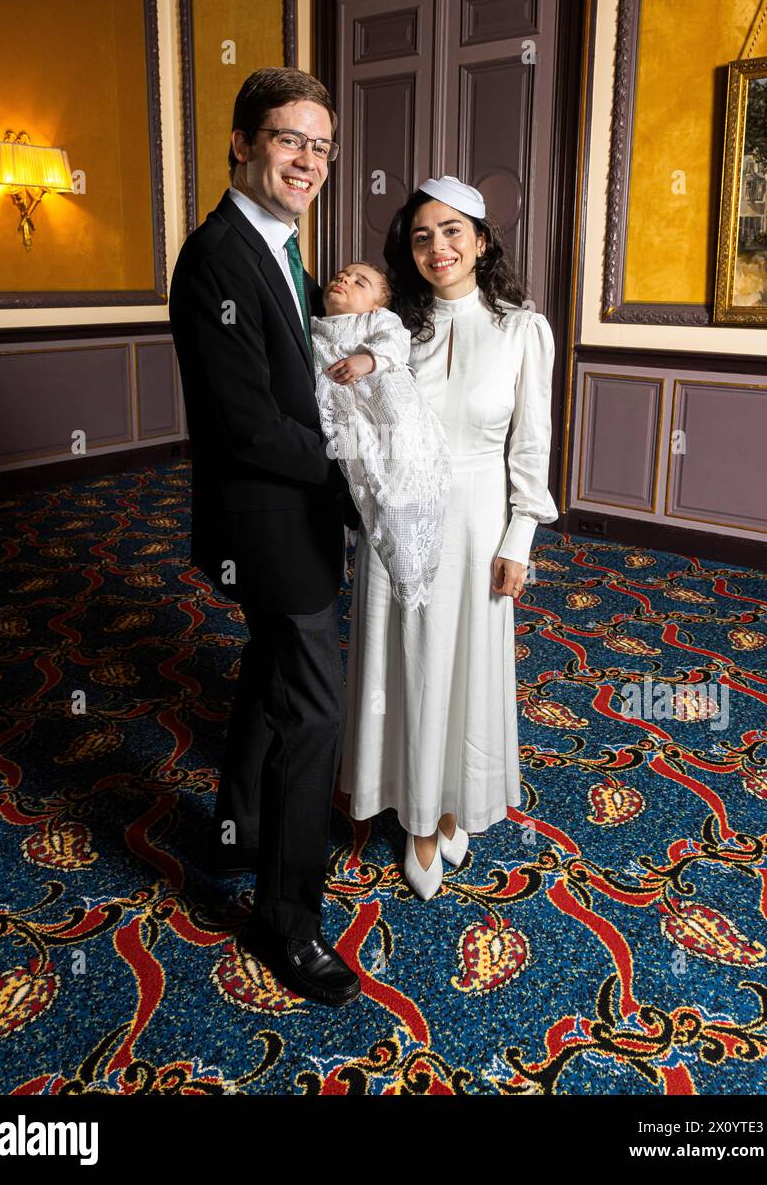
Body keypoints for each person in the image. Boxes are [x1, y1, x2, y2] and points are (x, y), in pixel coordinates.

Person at [168, 67, 361, 1007]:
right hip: (266, 520)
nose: (310, 161)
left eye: (321, 146)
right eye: (290, 140)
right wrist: (349, 466)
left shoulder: (283, 250)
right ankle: (287, 922)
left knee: (266, 674)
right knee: (317, 707)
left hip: (293, 515)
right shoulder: (216, 258)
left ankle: (233, 829)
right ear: (242, 143)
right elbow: (244, 423)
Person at [339, 176, 558, 900]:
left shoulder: (524, 331)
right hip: (401, 513)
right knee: (405, 663)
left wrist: (518, 536)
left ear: (482, 242)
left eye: (453, 232)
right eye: (421, 235)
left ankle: (455, 797)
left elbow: (530, 447)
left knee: (465, 662)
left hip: (479, 517)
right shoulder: (390, 330)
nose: (438, 247)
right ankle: (419, 818)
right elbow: (352, 421)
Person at [311, 261, 452, 610]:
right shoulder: (313, 329)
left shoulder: (377, 321)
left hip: (385, 410)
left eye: (360, 282)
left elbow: (396, 341)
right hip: (346, 419)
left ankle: (411, 570)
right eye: (341, 275)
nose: (343, 278)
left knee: (398, 486)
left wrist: (368, 360)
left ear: (377, 305)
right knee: (361, 485)